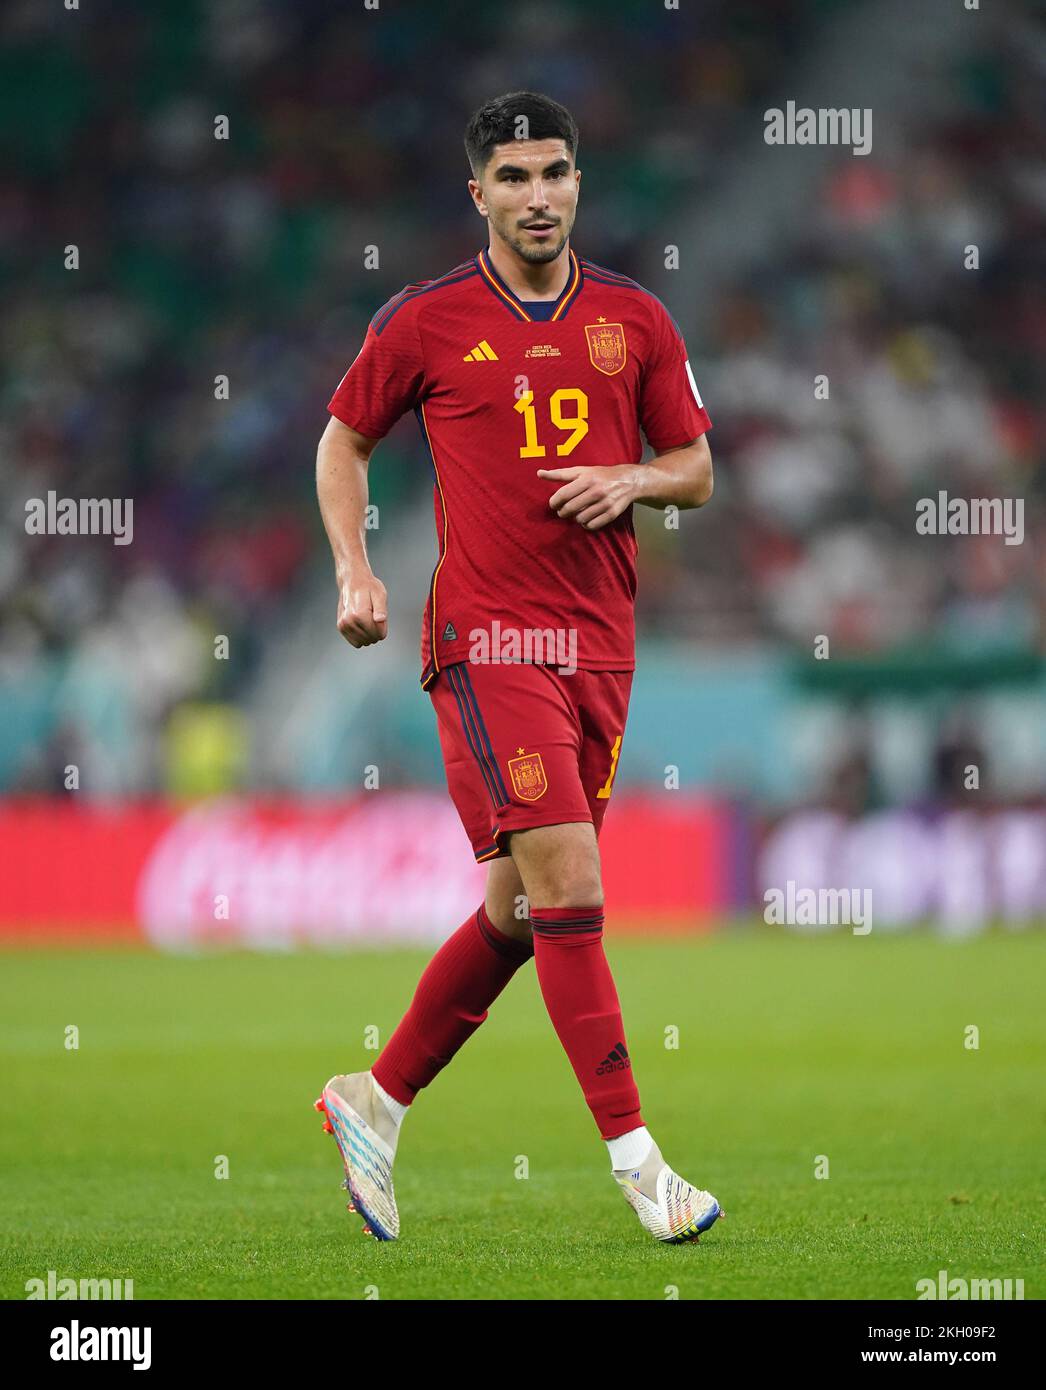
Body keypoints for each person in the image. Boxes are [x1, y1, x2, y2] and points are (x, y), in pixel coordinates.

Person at [314, 91, 721, 1243]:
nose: (536, 195)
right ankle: (642, 1167)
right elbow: (342, 440)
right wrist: (354, 571)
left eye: (554, 173)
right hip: (487, 639)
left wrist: (631, 479)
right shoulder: (426, 319)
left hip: (599, 645)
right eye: (513, 177)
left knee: (515, 905)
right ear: (477, 194)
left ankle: (373, 1100)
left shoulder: (635, 318)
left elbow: (692, 465)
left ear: (576, 184)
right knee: (571, 879)